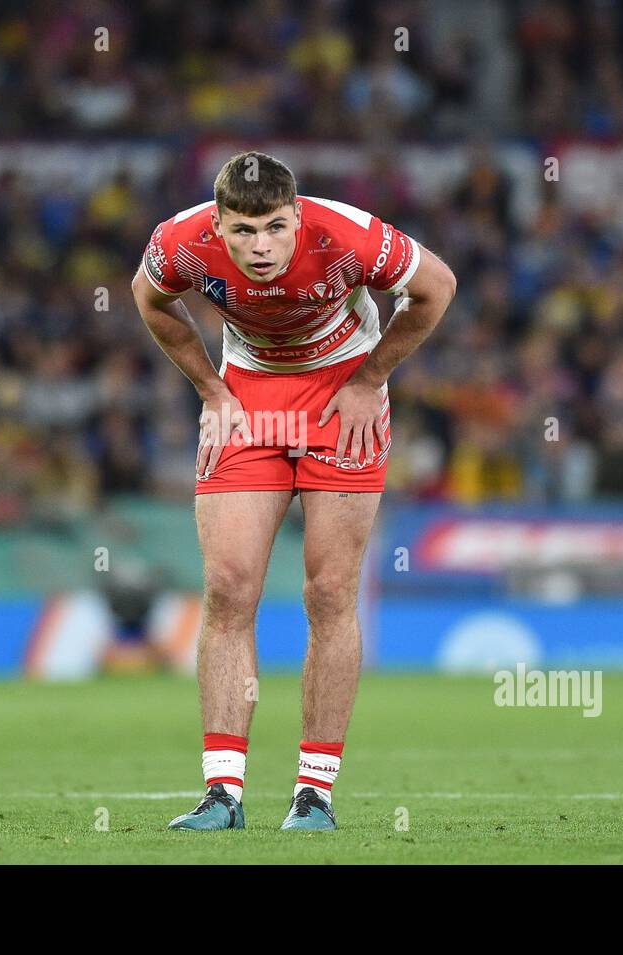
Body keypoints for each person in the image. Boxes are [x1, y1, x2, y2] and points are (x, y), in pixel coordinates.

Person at [131, 151, 456, 830]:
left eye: (276, 228)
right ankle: (222, 793)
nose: (261, 247)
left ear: (298, 216)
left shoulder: (349, 234)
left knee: (330, 591)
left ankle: (315, 793)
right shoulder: (177, 242)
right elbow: (149, 298)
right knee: (227, 585)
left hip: (342, 396)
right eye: (243, 232)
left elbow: (438, 287)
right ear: (216, 225)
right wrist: (211, 390)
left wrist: (369, 381)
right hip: (247, 399)